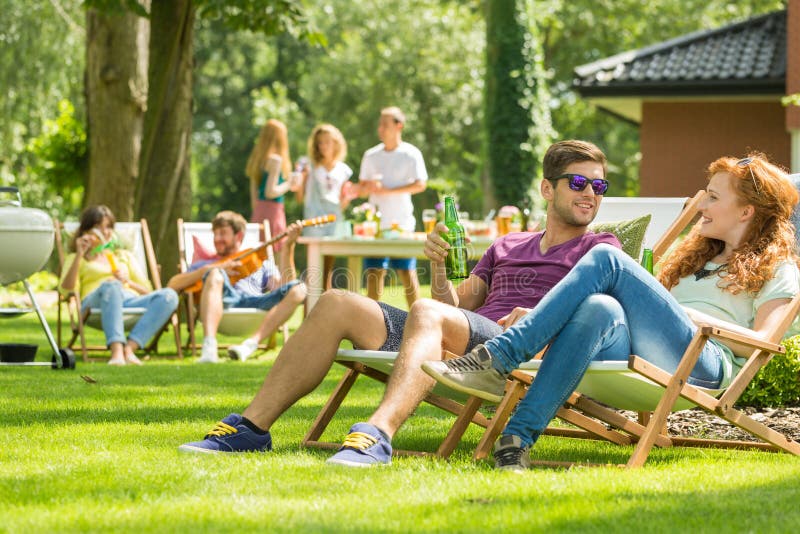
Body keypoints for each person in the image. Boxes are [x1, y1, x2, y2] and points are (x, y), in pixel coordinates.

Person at [177, 140, 620, 461]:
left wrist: (539, 319)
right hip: (464, 337)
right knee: (334, 301)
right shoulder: (507, 245)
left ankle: (377, 434)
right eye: (579, 182)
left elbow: (594, 322)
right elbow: (456, 305)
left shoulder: (601, 249)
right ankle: (251, 427)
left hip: (513, 349)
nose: (589, 194)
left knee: (425, 312)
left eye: (599, 188)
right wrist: (441, 268)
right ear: (547, 189)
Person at [422, 153, 800, 472]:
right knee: (599, 306)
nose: (700, 205)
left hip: (704, 362)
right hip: (652, 349)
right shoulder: (697, 256)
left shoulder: (779, 269)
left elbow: (763, 343)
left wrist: (695, 321)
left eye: (713, 198)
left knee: (607, 258)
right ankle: (517, 440)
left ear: (746, 211)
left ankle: (500, 356)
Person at [167, 211, 306, 363]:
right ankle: (209, 349)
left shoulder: (258, 261)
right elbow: (173, 284)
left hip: (254, 302)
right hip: (224, 300)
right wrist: (216, 268)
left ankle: (249, 345)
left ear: (238, 236)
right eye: (215, 234)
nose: (217, 238)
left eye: (223, 233)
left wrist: (289, 247)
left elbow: (284, 287)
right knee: (214, 275)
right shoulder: (204, 265)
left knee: (299, 289)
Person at [59, 205, 179, 366]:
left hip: (128, 301)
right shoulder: (77, 258)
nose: (105, 232)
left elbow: (149, 292)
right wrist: (80, 253)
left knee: (170, 296)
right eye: (98, 227)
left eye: (108, 227)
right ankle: (116, 352)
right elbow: (66, 290)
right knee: (111, 286)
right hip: (94, 304)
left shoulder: (123, 257)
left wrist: (128, 282)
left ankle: (129, 349)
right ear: (86, 231)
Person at [357, 107, 427, 306]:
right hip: (375, 227)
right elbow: (361, 189)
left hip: (402, 225)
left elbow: (421, 184)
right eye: (380, 124)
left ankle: (418, 320)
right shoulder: (370, 155)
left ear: (399, 126)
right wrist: (366, 188)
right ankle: (371, 327)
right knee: (374, 275)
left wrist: (387, 190)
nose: (381, 129)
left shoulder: (411, 153)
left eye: (385, 124)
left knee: (407, 274)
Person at [297, 123, 355, 289]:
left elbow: (341, 203)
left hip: (333, 223)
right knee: (313, 271)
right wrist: (301, 179)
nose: (323, 146)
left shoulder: (343, 171)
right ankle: (309, 311)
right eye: (320, 142)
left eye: (327, 142)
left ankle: (324, 310)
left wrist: (348, 198)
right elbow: (300, 197)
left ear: (336, 143)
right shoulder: (309, 166)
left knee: (328, 269)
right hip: (314, 223)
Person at [245, 119, 301, 251]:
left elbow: (254, 196)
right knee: (275, 255)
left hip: (259, 211)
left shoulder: (258, 160)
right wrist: (289, 183)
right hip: (273, 212)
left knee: (259, 254)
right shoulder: (275, 160)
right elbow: (270, 192)